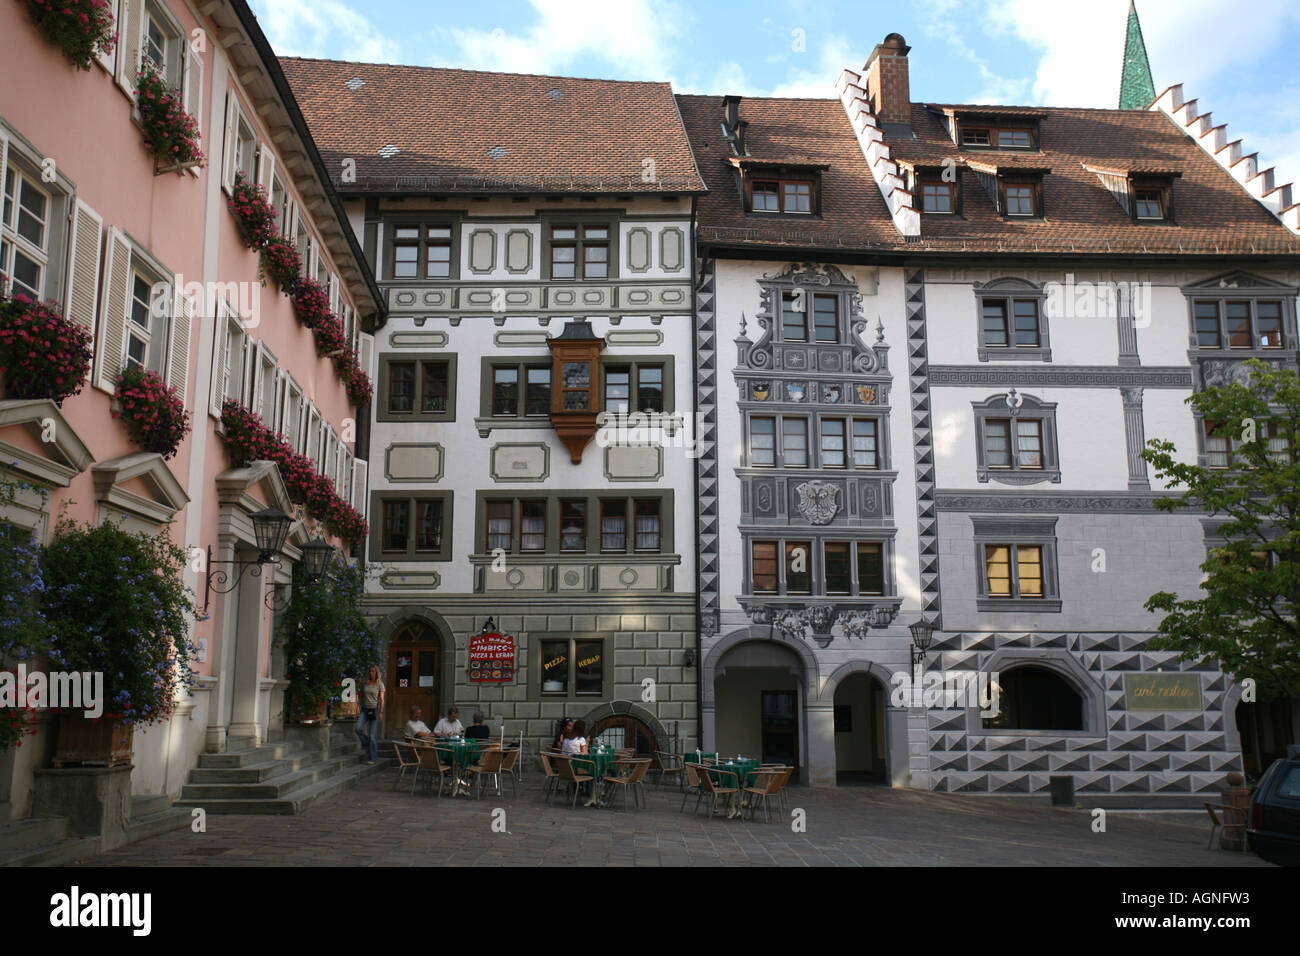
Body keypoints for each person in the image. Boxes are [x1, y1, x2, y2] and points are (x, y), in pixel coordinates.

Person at [355, 665, 385, 764]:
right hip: (365, 710)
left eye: (373, 671)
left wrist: (380, 712)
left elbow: (381, 699)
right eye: (370, 671)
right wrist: (358, 708)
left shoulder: (380, 684)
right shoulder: (365, 683)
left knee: (372, 735)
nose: (371, 673)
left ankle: (372, 758)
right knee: (358, 729)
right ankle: (366, 743)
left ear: (376, 673)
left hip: (375, 710)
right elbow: (360, 696)